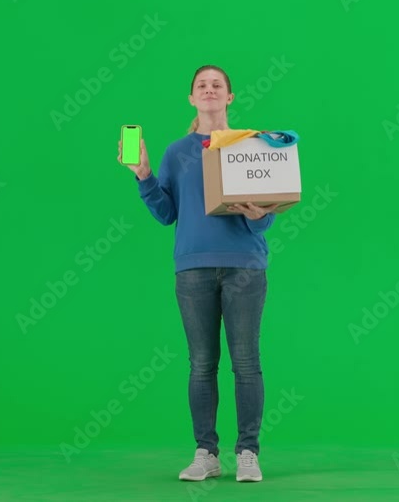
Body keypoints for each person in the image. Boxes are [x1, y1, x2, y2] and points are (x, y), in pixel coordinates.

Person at [117, 65, 280, 483]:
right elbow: (166, 213)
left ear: (230, 97)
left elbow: (262, 219)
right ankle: (206, 452)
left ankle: (248, 453)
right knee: (201, 364)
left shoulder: (252, 146)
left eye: (217, 85)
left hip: (245, 267)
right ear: (192, 99)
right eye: (201, 86)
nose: (209, 90)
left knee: (246, 362)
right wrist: (144, 174)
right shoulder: (176, 152)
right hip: (193, 269)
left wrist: (262, 215)